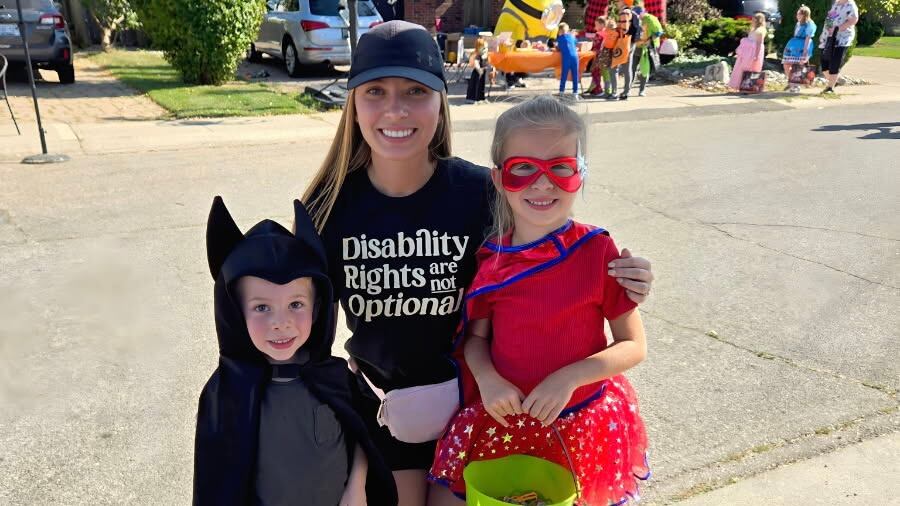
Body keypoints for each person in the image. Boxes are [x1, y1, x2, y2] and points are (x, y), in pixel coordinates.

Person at [301, 20, 656, 506]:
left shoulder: (479, 194)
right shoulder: (326, 206)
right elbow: (297, 324)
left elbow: (552, 239)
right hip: (386, 413)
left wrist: (628, 273)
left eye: (415, 91)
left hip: (482, 412)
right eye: (375, 91)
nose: (395, 109)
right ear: (353, 104)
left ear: (440, 101)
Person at [427, 96, 649, 505]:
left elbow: (633, 345)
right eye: (524, 168)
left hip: (580, 423)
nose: (543, 184)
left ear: (580, 173)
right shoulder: (492, 259)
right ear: (499, 178)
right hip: (504, 420)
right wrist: (489, 381)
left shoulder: (598, 251)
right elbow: (476, 340)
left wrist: (570, 377)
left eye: (560, 167)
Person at [193, 197, 397, 506]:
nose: (281, 322)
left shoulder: (334, 377)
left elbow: (363, 437)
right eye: (262, 307)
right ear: (235, 312)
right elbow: (218, 482)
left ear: (316, 307)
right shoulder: (227, 394)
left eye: (296, 304)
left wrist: (356, 488)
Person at [819, 0, 859, 94]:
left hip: (842, 38)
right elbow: (830, 17)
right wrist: (828, 29)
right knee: (824, 64)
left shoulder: (850, 4)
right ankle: (834, 81)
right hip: (828, 37)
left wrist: (837, 29)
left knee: (835, 62)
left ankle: (830, 88)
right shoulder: (836, 4)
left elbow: (853, 20)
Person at [625, 4, 663, 97]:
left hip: (646, 48)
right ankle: (628, 90)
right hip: (636, 46)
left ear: (643, 13)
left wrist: (649, 40)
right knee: (632, 68)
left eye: (638, 15)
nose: (637, 17)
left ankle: (642, 90)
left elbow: (659, 32)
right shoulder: (633, 19)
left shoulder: (651, 19)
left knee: (645, 69)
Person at [728, 13, 767, 92]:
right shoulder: (752, 29)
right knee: (742, 67)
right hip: (747, 52)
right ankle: (741, 85)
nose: (752, 21)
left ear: (758, 20)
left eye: (754, 19)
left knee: (750, 67)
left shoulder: (760, 31)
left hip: (753, 52)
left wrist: (756, 55)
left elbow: (759, 44)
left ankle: (749, 86)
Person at [782, 5, 817, 93]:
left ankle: (796, 85)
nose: (797, 15)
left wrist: (805, 50)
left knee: (797, 66)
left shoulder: (810, 24)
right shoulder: (798, 23)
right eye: (797, 13)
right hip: (793, 44)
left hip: (803, 45)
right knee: (786, 64)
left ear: (804, 15)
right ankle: (791, 81)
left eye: (799, 14)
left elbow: (808, 38)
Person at [615, 6, 641, 100]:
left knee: (622, 67)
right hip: (632, 42)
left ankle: (622, 92)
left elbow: (624, 28)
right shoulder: (635, 15)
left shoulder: (625, 13)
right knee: (628, 68)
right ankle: (627, 91)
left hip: (625, 42)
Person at [556, 22, 581, 98]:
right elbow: (577, 44)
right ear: (567, 30)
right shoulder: (572, 37)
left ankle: (561, 91)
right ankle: (575, 93)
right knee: (575, 75)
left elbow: (558, 48)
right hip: (575, 57)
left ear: (560, 31)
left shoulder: (560, 38)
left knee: (564, 75)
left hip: (566, 58)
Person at [585, 16, 608, 97]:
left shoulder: (598, 34)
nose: (595, 27)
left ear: (602, 25)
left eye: (596, 25)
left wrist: (590, 51)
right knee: (598, 73)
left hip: (598, 57)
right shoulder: (607, 33)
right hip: (605, 57)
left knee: (595, 72)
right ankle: (594, 89)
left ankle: (598, 90)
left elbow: (596, 46)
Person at [465, 36, 488, 103]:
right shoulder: (477, 55)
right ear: (478, 48)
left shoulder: (483, 55)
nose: (485, 50)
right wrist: (479, 69)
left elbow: (486, 63)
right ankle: (472, 98)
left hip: (482, 72)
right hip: (477, 73)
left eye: (486, 48)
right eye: (484, 48)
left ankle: (481, 97)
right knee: (475, 85)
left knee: (481, 85)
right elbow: (476, 63)